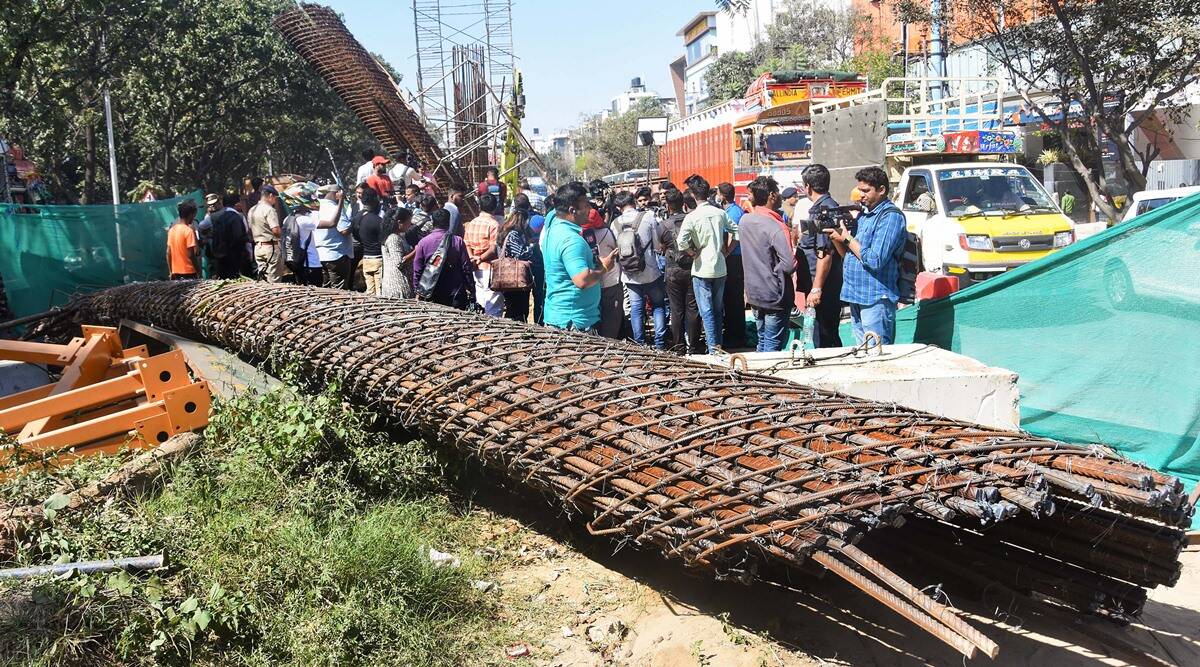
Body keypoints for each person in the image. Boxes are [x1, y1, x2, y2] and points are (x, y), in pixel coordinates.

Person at [827, 166, 907, 346]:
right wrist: (837, 238)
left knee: (877, 354)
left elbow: (874, 259)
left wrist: (847, 238)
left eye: (866, 190)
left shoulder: (890, 217)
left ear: (881, 190)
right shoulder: (864, 215)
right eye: (859, 190)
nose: (860, 195)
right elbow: (849, 255)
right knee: (863, 354)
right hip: (856, 295)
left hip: (876, 298)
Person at [542, 182, 617, 332]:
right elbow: (582, 280)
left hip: (559, 316)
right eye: (586, 205)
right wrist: (604, 268)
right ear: (572, 210)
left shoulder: (553, 226)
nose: (590, 208)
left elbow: (552, 212)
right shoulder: (571, 240)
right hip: (575, 324)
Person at [677, 175, 737, 355]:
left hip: (702, 267)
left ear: (694, 196)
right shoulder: (720, 213)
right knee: (717, 310)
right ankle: (718, 346)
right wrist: (727, 250)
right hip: (720, 266)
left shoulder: (692, 217)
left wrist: (692, 253)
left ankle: (714, 350)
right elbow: (736, 231)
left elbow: (681, 243)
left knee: (707, 311)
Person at [740, 176, 796, 352]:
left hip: (754, 292)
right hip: (774, 294)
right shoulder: (776, 226)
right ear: (772, 195)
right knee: (772, 345)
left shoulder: (744, 221)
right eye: (778, 193)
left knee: (763, 340)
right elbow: (789, 265)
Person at [612, 192, 669, 349]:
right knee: (658, 306)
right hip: (651, 271)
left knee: (636, 309)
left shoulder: (615, 223)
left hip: (629, 275)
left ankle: (640, 344)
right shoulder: (649, 216)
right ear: (634, 201)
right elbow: (658, 245)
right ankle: (660, 344)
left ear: (618, 207)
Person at [798, 164, 844, 348]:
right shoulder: (827, 207)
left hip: (824, 287)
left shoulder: (823, 211)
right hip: (825, 284)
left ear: (808, 186)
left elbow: (825, 253)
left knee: (825, 336)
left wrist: (816, 288)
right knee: (826, 332)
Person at [660, 188, 702, 354]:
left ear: (668, 206)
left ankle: (678, 347)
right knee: (693, 308)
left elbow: (660, 247)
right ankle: (694, 347)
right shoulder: (692, 220)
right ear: (683, 203)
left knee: (676, 310)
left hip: (672, 271)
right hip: (692, 267)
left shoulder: (663, 225)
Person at [413, 209, 474, 309]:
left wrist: (418, 290)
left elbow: (417, 269)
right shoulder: (457, 241)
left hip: (431, 292)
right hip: (455, 292)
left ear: (433, 222)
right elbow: (466, 268)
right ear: (448, 222)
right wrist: (471, 289)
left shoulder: (423, 243)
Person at [582, 197, 621, 338]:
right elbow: (616, 250)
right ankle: (610, 343)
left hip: (590, 281)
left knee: (595, 315)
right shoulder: (606, 232)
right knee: (611, 317)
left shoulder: (578, 236)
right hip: (610, 280)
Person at [715, 181, 748, 350]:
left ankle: (737, 336)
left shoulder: (734, 212)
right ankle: (732, 333)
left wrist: (727, 252)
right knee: (729, 298)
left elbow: (734, 235)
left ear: (723, 196)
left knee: (734, 299)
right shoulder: (728, 210)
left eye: (718, 193)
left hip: (734, 259)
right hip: (731, 257)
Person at [499, 195, 539, 322]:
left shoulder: (510, 233)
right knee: (517, 311)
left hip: (514, 280)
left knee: (516, 310)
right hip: (514, 279)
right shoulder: (514, 234)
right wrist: (534, 246)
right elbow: (521, 254)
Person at [463, 192, 503, 316]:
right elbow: (493, 249)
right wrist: (480, 259)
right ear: (495, 207)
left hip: (476, 268)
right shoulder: (494, 225)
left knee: (480, 303)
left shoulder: (472, 223)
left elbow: (466, 244)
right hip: (489, 268)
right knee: (493, 306)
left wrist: (473, 259)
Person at [313, 184, 354, 289]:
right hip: (336, 255)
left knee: (325, 288)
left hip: (321, 255)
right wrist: (354, 224)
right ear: (337, 194)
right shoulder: (334, 208)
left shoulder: (316, 207)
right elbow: (344, 230)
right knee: (339, 289)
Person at [207, 193, 250, 279]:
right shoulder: (237, 217)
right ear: (237, 204)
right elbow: (239, 238)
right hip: (235, 259)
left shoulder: (218, 218)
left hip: (222, 259)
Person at [248, 185, 283, 282]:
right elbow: (275, 230)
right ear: (271, 196)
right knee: (274, 279)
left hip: (258, 248)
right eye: (275, 198)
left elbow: (250, 228)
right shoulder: (269, 210)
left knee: (262, 278)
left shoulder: (252, 210)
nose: (275, 201)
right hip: (270, 247)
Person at [382, 207, 415, 298]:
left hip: (401, 284)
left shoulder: (399, 236)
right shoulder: (393, 238)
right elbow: (399, 262)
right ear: (399, 222)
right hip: (397, 287)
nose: (410, 224)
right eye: (408, 221)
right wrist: (416, 251)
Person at [358, 188, 386, 295]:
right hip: (378, 258)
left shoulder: (358, 218)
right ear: (376, 201)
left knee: (370, 291)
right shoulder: (378, 221)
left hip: (366, 259)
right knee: (380, 292)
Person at [166, 199, 200, 280]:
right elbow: (191, 254)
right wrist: (198, 271)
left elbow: (168, 253)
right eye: (194, 215)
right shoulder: (188, 231)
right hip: (189, 273)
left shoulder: (172, 230)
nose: (194, 218)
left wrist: (171, 272)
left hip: (175, 273)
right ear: (190, 214)